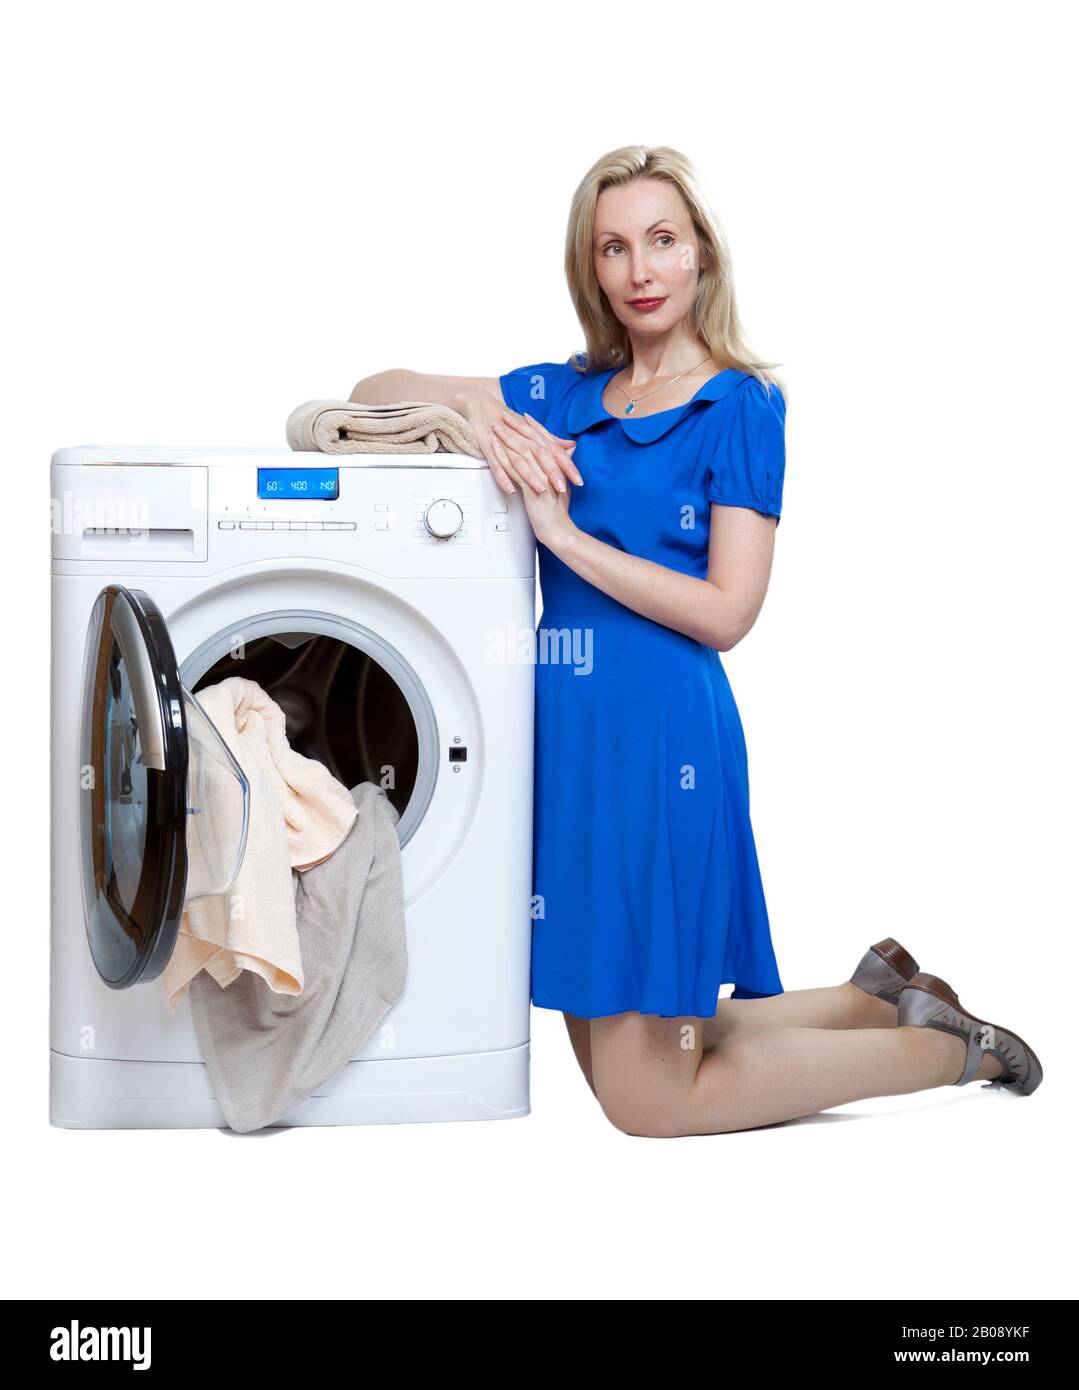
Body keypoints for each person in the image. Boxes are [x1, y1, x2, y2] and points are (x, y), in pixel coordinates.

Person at [348, 144, 1042, 1136]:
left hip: (659, 738)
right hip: (566, 741)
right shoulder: (561, 394)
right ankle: (867, 998)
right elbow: (368, 389)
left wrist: (563, 539)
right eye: (613, 248)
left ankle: (950, 1048)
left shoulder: (740, 404)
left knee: (646, 1099)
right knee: (628, 1047)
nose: (640, 270)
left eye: (662, 240)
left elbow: (728, 611)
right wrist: (477, 408)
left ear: (701, 253)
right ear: (590, 268)